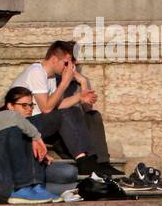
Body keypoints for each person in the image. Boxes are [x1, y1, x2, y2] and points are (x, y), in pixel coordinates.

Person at [11, 41, 121, 177]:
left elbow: (57, 104)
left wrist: (80, 96)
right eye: (66, 63)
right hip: (24, 125)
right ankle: (84, 162)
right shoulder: (36, 72)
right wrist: (64, 83)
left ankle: (91, 160)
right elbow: (46, 108)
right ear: (54, 59)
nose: (68, 68)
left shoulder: (49, 77)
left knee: (74, 110)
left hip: (39, 123)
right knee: (64, 113)